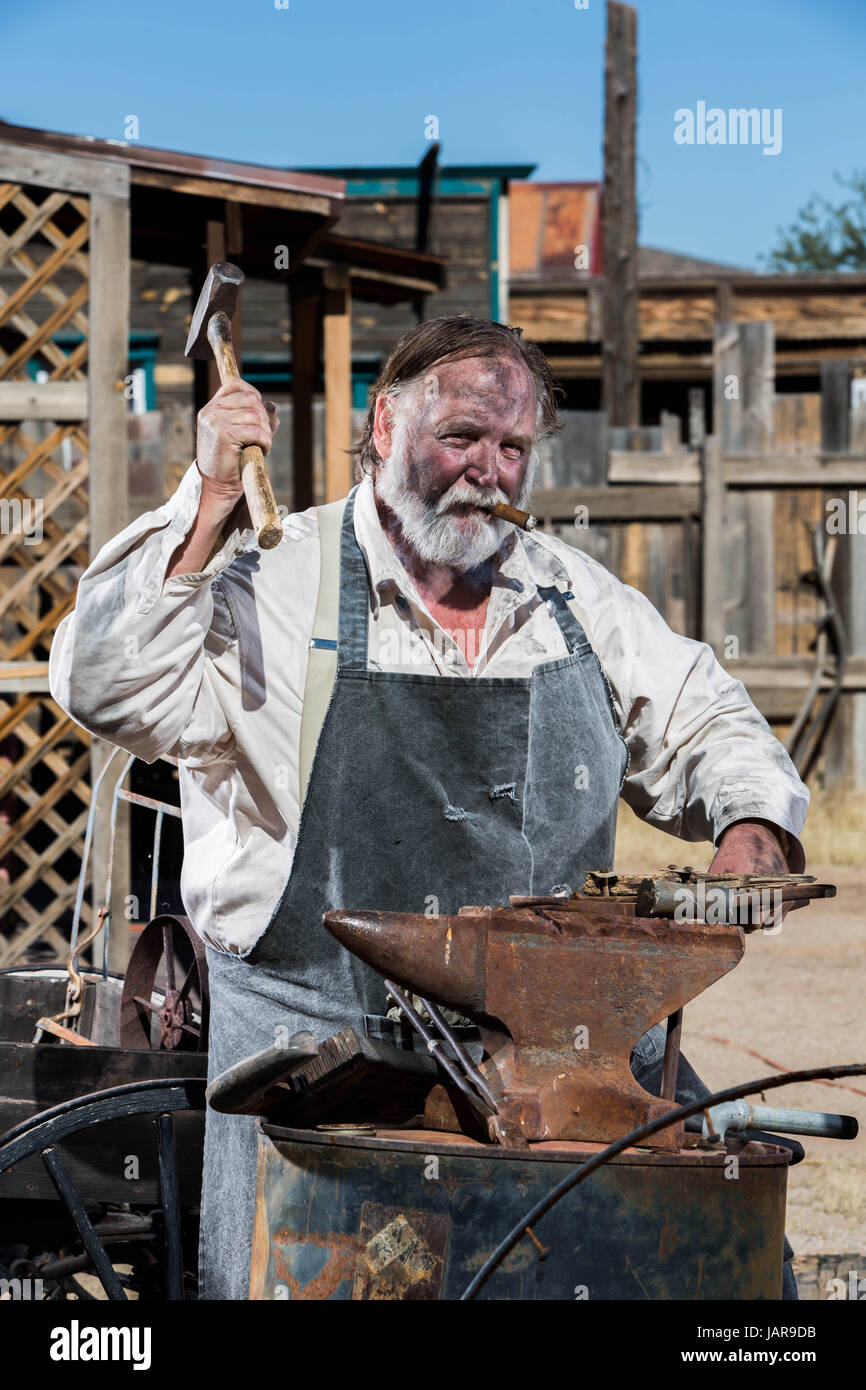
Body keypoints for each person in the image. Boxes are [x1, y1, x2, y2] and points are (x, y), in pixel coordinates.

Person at [50, 316, 808, 1300]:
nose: (484, 471)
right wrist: (209, 502)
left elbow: (705, 714)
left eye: (511, 447)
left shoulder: (569, 596)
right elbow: (103, 683)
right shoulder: (273, 578)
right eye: (459, 436)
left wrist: (752, 823)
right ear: (383, 425)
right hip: (327, 1113)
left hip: (548, 1095)